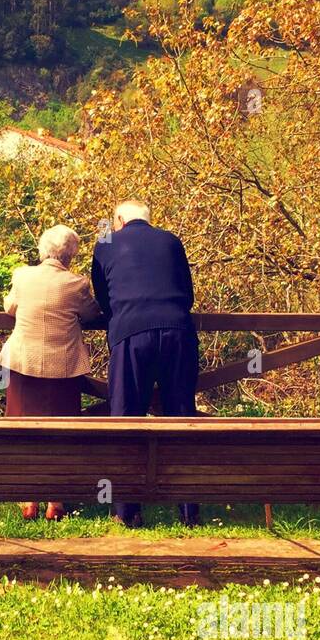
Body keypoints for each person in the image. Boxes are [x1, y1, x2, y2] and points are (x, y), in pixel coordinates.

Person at [91, 199, 200, 528]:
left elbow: (102, 297)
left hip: (131, 332)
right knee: (182, 416)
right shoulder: (171, 239)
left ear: (120, 220)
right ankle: (188, 511)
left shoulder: (105, 240)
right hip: (178, 331)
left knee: (125, 418)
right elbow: (188, 293)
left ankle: (127, 510)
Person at [0, 224, 102, 521]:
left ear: (42, 251)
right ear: (70, 255)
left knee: (21, 430)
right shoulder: (77, 284)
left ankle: (28, 497)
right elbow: (92, 314)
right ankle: (55, 502)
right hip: (63, 369)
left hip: (23, 363)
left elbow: (10, 307)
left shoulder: (22, 275)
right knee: (62, 433)